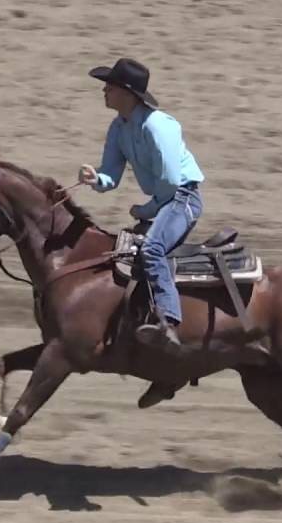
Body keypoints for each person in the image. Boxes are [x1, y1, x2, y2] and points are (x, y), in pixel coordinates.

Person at [78, 57, 205, 355]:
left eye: (109, 86)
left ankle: (169, 321)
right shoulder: (118, 128)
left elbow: (173, 181)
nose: (104, 91)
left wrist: (146, 211)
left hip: (182, 199)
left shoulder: (159, 127)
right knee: (127, 255)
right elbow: (111, 174)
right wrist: (95, 178)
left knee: (151, 249)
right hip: (163, 201)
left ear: (127, 92)